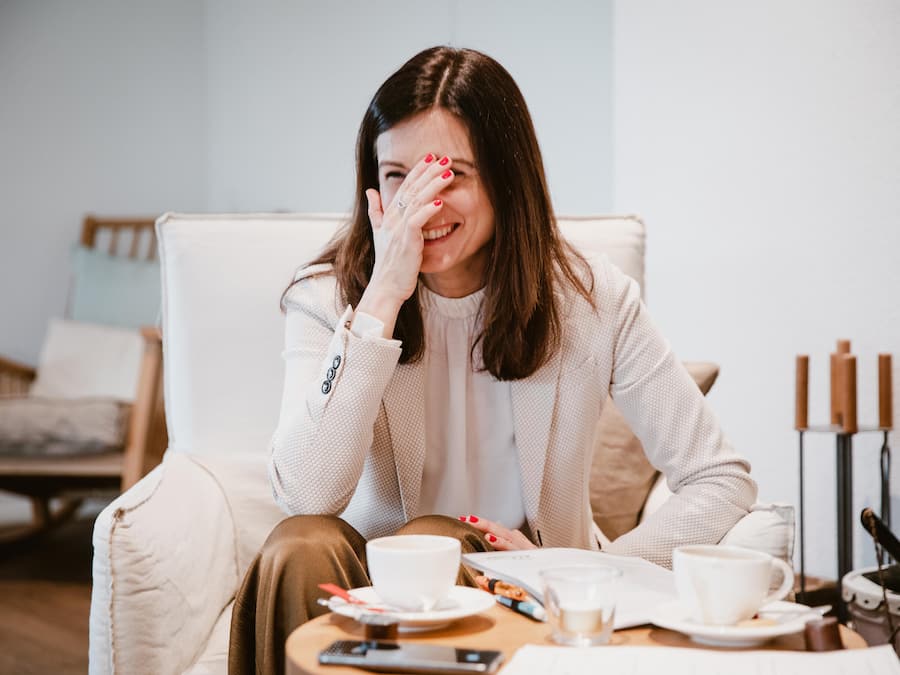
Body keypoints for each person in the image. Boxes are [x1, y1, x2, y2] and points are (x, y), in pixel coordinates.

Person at [228, 46, 757, 675]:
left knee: (434, 537)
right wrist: (381, 303)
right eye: (398, 176)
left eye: (449, 174)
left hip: (517, 598)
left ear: (506, 179)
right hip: (369, 595)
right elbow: (307, 494)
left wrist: (589, 569)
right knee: (298, 545)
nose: (423, 205)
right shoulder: (327, 299)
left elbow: (719, 478)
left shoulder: (592, 299)